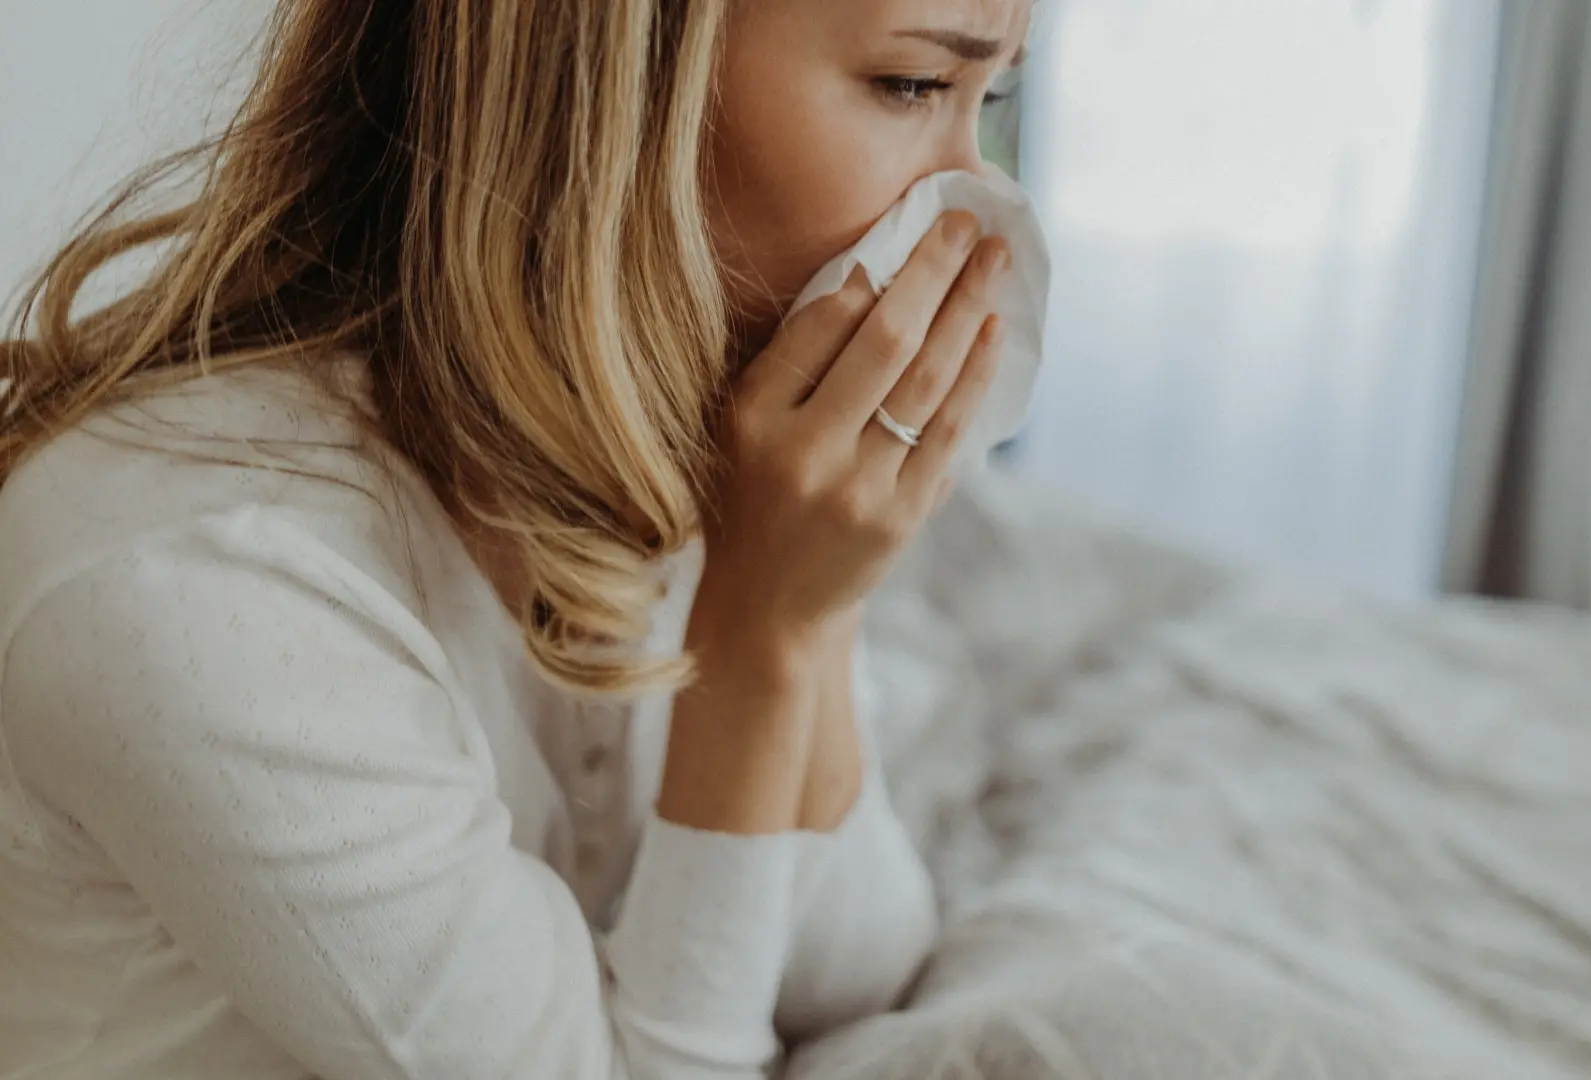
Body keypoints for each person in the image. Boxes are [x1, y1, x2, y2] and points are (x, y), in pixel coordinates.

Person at [0, 0, 1030, 1076]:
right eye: (912, 87)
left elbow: (852, 969)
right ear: (618, 92)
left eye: (992, 97)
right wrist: (761, 640)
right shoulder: (199, 579)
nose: (985, 203)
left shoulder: (657, 436)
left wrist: (810, 606)